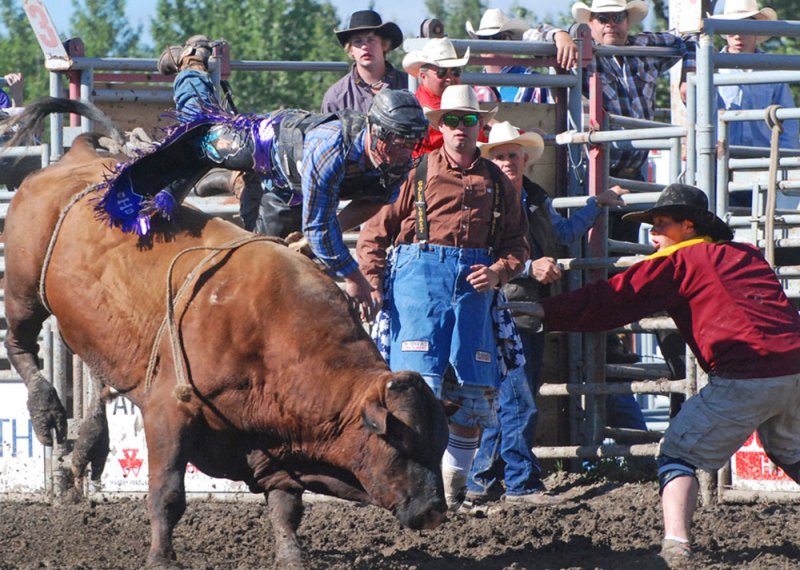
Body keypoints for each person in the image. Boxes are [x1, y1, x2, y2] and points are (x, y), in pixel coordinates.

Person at [521, 183, 800, 564]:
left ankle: (677, 545)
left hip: (745, 374)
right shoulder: (746, 254)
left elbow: (613, 299)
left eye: (661, 223)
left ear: (688, 226)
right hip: (794, 367)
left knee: (677, 455)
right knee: (791, 451)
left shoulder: (677, 264)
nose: (652, 232)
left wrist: (545, 313)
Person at [97, 87, 429, 318]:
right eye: (396, 139)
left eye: (410, 141)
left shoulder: (400, 161)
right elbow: (315, 228)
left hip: (290, 188)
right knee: (200, 136)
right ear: (375, 129)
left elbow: (375, 200)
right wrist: (353, 276)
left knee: (266, 256)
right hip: (262, 143)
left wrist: (334, 228)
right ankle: (192, 67)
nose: (402, 149)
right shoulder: (329, 148)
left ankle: (239, 185)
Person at [357, 86, 529, 509]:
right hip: (419, 285)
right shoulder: (417, 174)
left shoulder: (498, 184)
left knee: (472, 388)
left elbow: (517, 245)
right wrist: (373, 283)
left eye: (468, 120)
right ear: (441, 127)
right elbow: (374, 232)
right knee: (413, 389)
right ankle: (407, 486)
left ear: (480, 127)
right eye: (451, 120)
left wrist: (498, 271)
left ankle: (452, 485)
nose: (460, 128)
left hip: (475, 285)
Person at [466, 121, 627, 506]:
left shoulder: (534, 198)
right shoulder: (489, 200)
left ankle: (482, 480)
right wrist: (528, 268)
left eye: (513, 155)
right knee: (517, 397)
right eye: (500, 155)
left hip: (520, 309)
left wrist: (595, 205)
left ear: (525, 160)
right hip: (502, 306)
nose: (507, 162)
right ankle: (520, 482)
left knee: (506, 396)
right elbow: (482, 257)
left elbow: (562, 234)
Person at [710, 0, 799, 208]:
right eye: (732, 28)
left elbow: (789, 123)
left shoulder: (773, 71)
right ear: (725, 32)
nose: (738, 35)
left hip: (764, 164)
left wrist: (784, 160)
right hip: (722, 164)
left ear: (755, 30)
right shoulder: (711, 68)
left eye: (745, 26)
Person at [467, 8, 580, 104]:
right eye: (484, 39)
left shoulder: (534, 82)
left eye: (499, 37)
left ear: (512, 41)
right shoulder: (471, 87)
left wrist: (560, 35)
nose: (490, 43)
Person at [321, 10, 408, 113]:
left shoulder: (409, 86)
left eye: (371, 40)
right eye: (358, 41)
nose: (365, 47)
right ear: (351, 50)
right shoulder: (336, 97)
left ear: (384, 45)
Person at [402, 37, 470, 156]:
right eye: (441, 72)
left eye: (455, 72)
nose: (450, 78)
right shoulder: (422, 109)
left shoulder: (444, 101)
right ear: (423, 77)